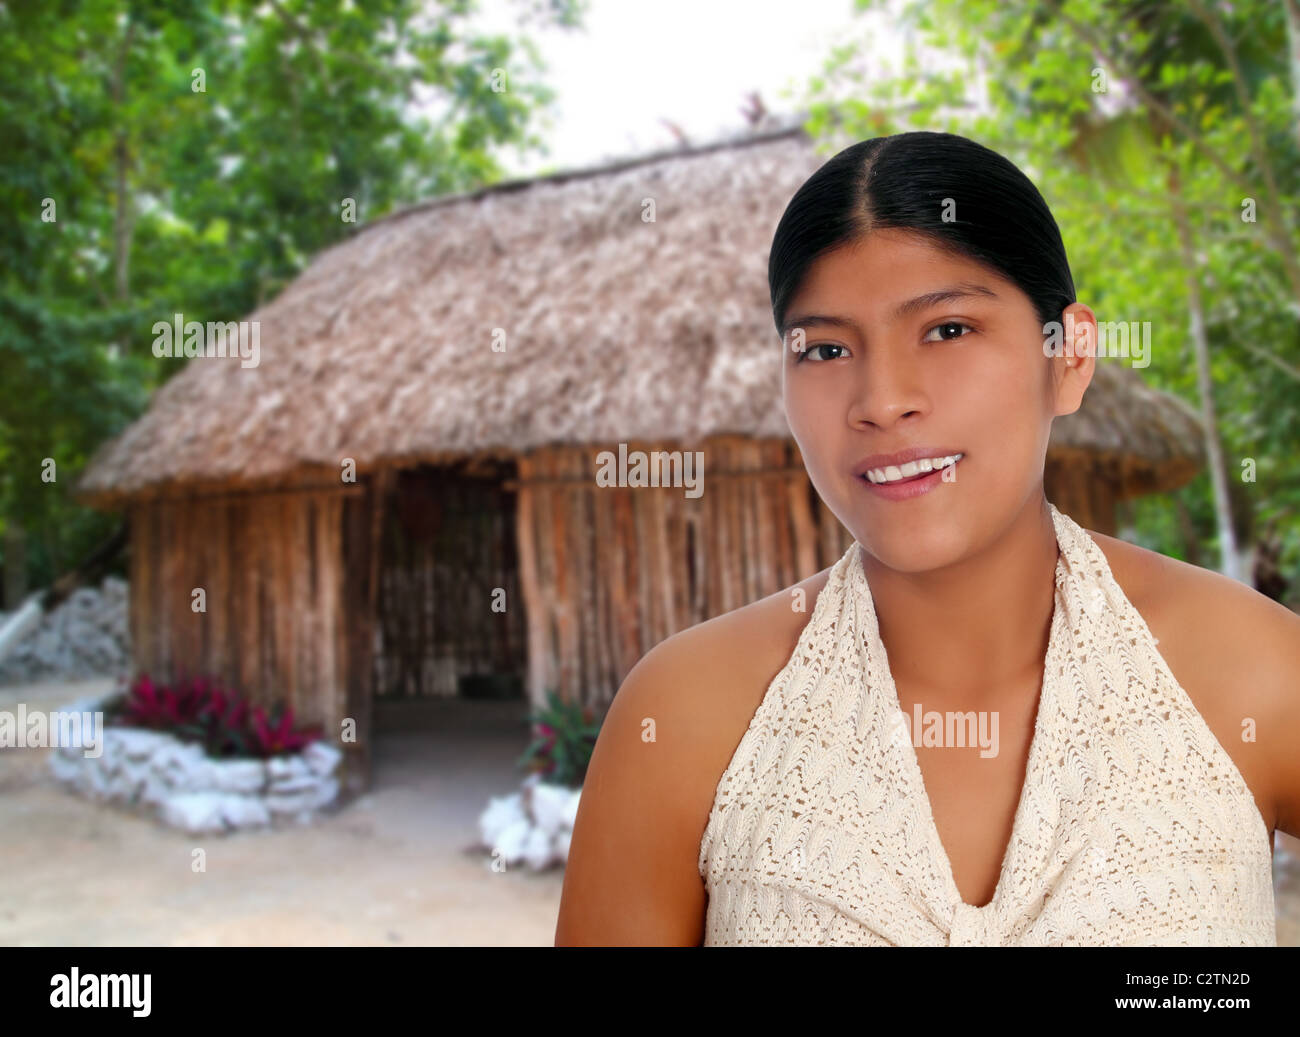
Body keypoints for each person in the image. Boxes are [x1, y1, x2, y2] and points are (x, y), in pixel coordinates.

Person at [554, 131, 1300, 946]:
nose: (883, 399)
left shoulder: (1248, 672)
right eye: (827, 348)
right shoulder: (684, 717)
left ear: (1070, 356)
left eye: (946, 329)